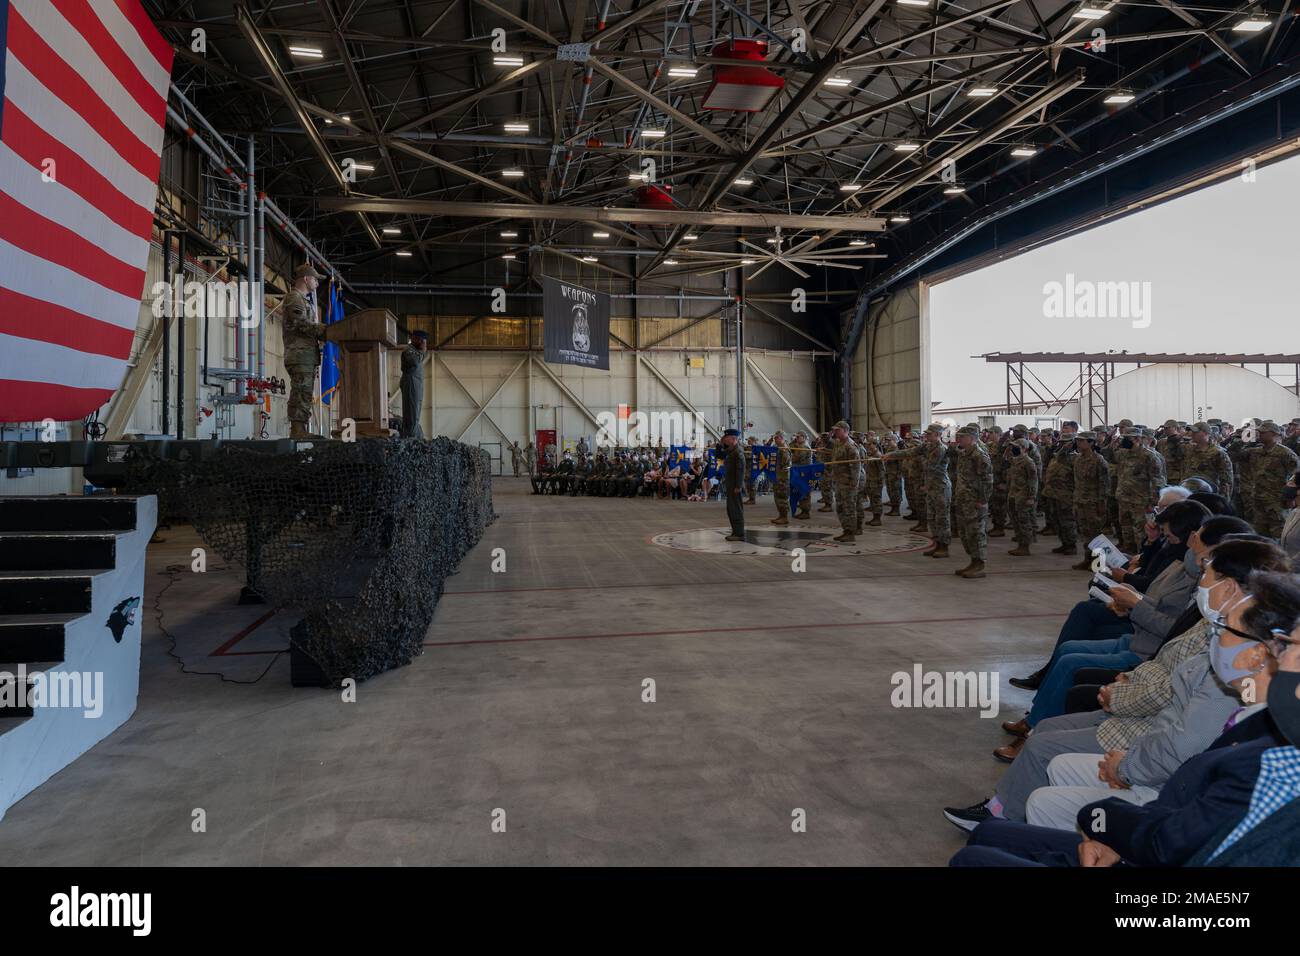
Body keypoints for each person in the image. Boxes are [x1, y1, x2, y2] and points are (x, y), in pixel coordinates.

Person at [282, 262, 328, 439]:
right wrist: (324, 331)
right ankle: (297, 431)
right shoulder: (294, 298)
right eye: (315, 279)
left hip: (305, 355)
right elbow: (300, 323)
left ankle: (301, 429)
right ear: (306, 279)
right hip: (299, 355)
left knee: (305, 392)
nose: (317, 282)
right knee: (301, 391)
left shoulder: (302, 300)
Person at [1248, 422, 1300, 539]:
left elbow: (1296, 477)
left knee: (1279, 536)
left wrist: (1291, 498)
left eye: (1263, 432)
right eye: (1259, 432)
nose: (1259, 434)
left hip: (1277, 503)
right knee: (1260, 538)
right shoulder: (1256, 452)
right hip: (1258, 501)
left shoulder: (1285, 454)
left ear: (1273, 434)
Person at [952, 425, 992, 578]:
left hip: (975, 501)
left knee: (976, 532)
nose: (959, 439)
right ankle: (973, 560)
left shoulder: (979, 455)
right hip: (963, 500)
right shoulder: (964, 454)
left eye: (962, 437)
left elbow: (987, 480)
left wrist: (982, 499)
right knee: (965, 533)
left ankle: (979, 564)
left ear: (972, 438)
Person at [827, 421, 863, 543]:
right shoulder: (838, 443)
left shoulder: (850, 446)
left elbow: (856, 467)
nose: (835, 432)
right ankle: (846, 530)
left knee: (849, 508)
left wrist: (854, 483)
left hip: (848, 483)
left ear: (845, 430)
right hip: (839, 481)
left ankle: (850, 532)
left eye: (838, 430)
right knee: (840, 507)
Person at [1006, 438, 1039, 556]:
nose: (1013, 449)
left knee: (1024, 522)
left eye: (1016, 447)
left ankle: (1025, 546)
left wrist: (1031, 497)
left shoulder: (1028, 462)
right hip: (1013, 494)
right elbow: (1005, 456)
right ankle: (1020, 544)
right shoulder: (1015, 461)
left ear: (1024, 449)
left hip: (1023, 496)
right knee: (1016, 521)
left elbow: (1033, 481)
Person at [397, 330, 429, 438]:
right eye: (422, 341)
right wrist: (423, 351)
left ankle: (412, 436)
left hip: (416, 384)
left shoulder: (416, 351)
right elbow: (414, 361)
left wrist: (422, 351)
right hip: (411, 383)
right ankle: (411, 438)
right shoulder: (408, 350)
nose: (423, 343)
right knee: (412, 413)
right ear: (415, 339)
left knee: (415, 412)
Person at [720, 429, 746, 541]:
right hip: (731, 484)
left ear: (733, 439)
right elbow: (720, 453)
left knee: (735, 508)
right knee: (731, 508)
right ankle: (736, 531)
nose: (725, 439)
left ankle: (739, 533)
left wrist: (738, 486)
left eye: (727, 438)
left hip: (735, 485)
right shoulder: (732, 450)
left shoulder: (738, 452)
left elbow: (740, 470)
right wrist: (721, 443)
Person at [770, 431, 792, 526]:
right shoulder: (779, 448)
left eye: (776, 438)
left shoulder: (784, 449)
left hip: (783, 477)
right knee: (778, 497)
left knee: (782, 497)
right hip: (778, 476)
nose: (775, 440)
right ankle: (781, 515)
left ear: (781, 438)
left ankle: (784, 517)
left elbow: (785, 462)